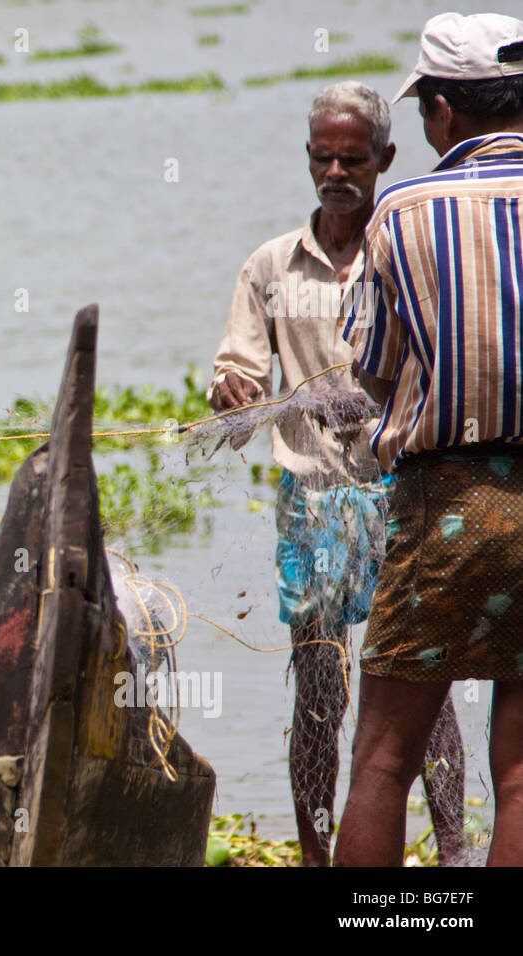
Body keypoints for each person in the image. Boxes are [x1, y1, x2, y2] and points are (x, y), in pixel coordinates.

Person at [208, 83, 464, 866]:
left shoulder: (410, 249)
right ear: (309, 158)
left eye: (353, 159)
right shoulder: (271, 265)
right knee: (318, 684)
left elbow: (443, 361)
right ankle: (316, 854)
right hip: (312, 498)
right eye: (323, 158)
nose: (336, 173)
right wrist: (233, 392)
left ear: (386, 159)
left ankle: (454, 849)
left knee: (423, 687)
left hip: (402, 494)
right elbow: (237, 372)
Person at [335, 12, 523, 867]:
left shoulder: (406, 209)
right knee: (520, 774)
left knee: (383, 759)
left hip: (448, 504)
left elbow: (371, 366)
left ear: (443, 110)